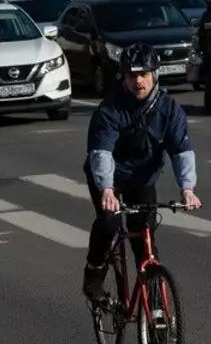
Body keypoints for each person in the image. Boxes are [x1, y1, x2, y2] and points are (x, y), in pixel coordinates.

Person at [82, 43, 203, 301]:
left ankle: (157, 310)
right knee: (110, 223)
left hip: (142, 178)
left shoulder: (169, 109)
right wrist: (106, 189)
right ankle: (93, 276)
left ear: (155, 75)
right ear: (123, 78)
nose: (138, 81)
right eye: (131, 75)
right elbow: (101, 152)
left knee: (144, 241)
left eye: (144, 74)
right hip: (109, 177)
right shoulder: (110, 108)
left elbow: (181, 150)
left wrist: (188, 188)